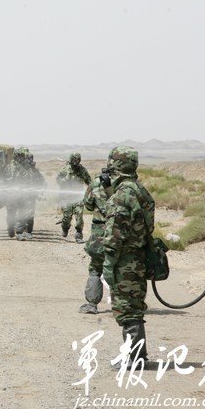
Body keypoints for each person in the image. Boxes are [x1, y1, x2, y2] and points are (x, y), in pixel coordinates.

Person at [101, 146, 155, 367]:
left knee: (127, 308)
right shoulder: (139, 190)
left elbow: (116, 233)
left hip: (125, 261)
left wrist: (108, 262)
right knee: (134, 306)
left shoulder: (123, 194)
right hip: (138, 257)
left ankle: (134, 358)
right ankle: (137, 355)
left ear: (117, 165)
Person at [79, 168, 113, 313]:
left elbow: (88, 204)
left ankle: (92, 304)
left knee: (96, 268)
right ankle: (126, 305)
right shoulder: (128, 185)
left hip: (100, 232)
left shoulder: (96, 183)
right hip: (123, 233)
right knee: (124, 268)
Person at [9, 148, 45, 241]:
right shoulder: (12, 167)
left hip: (29, 195)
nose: (24, 158)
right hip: (18, 195)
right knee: (20, 213)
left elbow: (39, 181)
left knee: (29, 214)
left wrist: (40, 192)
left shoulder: (30, 168)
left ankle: (28, 231)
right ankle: (19, 232)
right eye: (21, 156)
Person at [57, 152, 92, 242]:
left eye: (78, 160)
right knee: (67, 218)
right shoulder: (65, 169)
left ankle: (79, 235)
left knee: (79, 216)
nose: (76, 162)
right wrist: (66, 179)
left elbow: (89, 181)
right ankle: (65, 228)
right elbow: (58, 180)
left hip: (78, 197)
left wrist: (92, 189)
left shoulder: (82, 170)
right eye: (74, 160)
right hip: (66, 197)